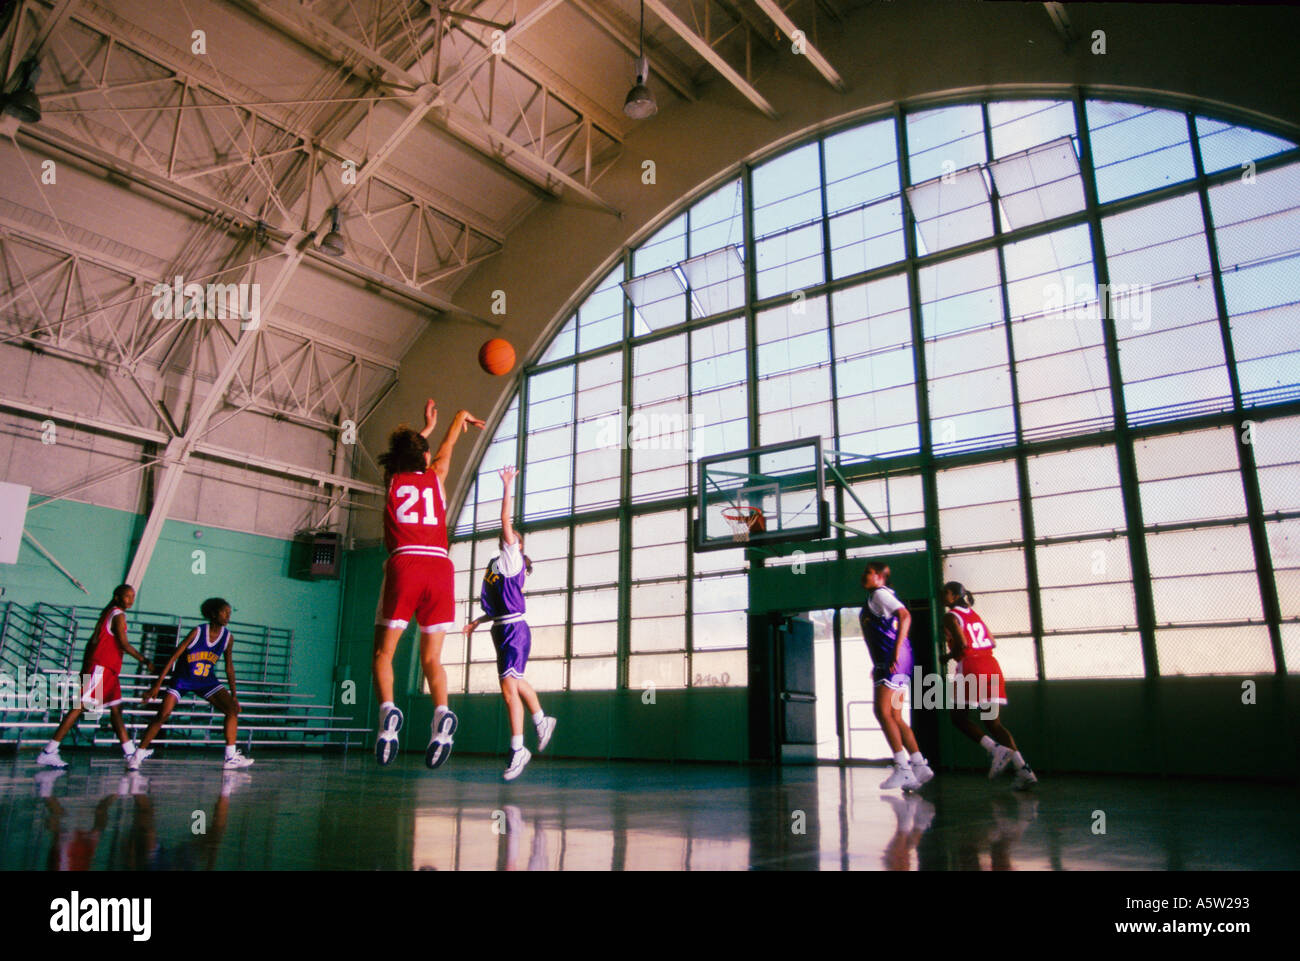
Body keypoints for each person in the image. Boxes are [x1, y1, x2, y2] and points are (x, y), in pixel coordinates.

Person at [373, 398, 485, 768]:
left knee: (383, 654)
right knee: (432, 658)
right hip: (440, 568)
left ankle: (388, 715)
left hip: (406, 563)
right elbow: (446, 448)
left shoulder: (393, 479)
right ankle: (441, 715)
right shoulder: (436, 476)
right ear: (424, 458)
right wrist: (455, 419)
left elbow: (408, 454)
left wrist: (423, 432)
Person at [463, 466, 557, 781]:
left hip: (515, 630)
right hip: (501, 627)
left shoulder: (512, 556)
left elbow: (505, 520)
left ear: (517, 544)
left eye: (512, 534)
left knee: (508, 690)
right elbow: (499, 602)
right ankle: (542, 720)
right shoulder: (497, 564)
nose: (508, 533)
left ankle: (519, 748)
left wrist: (507, 486)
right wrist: (477, 620)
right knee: (513, 684)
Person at [129, 597, 254, 771]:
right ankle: (137, 754)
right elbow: (173, 657)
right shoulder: (198, 632)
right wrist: (157, 684)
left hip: (206, 681)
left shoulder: (227, 638)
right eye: (224, 612)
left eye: (229, 612)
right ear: (213, 614)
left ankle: (230, 757)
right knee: (163, 715)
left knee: (232, 710)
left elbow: (229, 668)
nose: (228, 615)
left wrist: (234, 695)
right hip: (183, 679)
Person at [37, 584, 150, 768]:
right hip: (102, 667)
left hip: (109, 670)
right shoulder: (117, 615)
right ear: (117, 597)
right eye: (127, 596)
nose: (131, 600)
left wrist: (84, 667)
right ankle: (49, 750)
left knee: (116, 710)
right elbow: (123, 643)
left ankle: (130, 753)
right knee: (79, 707)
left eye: (133, 596)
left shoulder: (108, 614)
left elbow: (92, 642)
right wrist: (145, 660)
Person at [941, 581, 1036, 790]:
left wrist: (947, 656)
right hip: (991, 665)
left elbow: (963, 644)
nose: (942, 595)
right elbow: (992, 641)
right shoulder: (973, 614)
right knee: (993, 723)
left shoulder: (950, 616)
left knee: (957, 717)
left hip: (972, 665)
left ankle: (995, 750)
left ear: (956, 595)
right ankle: (1024, 771)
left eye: (945, 592)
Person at [860, 562, 934, 791]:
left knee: (882, 712)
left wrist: (893, 651)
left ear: (881, 577)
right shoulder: (884, 595)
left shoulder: (880, 595)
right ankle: (919, 764)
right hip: (902, 659)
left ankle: (902, 768)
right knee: (896, 716)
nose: (864, 576)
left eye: (869, 573)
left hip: (892, 658)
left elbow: (905, 615)